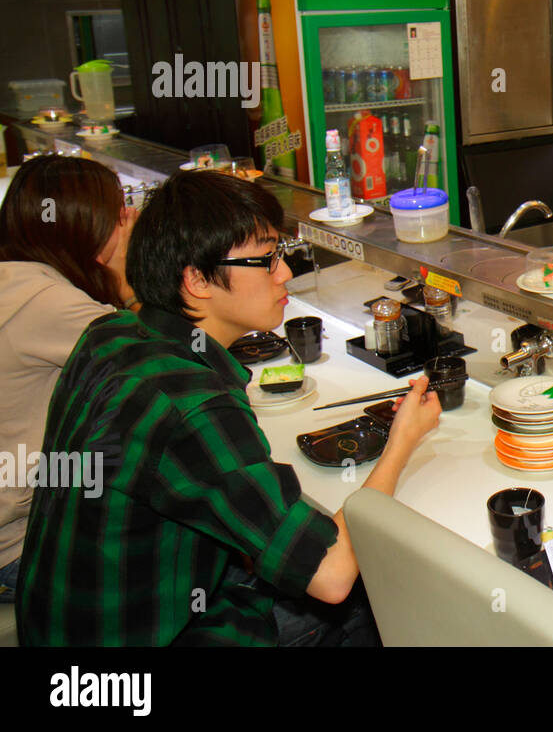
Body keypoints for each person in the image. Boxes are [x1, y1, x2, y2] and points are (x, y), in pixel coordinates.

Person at [17, 170, 441, 645]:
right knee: (368, 601)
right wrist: (401, 443)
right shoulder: (191, 403)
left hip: (57, 627)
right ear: (197, 279)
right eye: (265, 259)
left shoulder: (110, 335)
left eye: (280, 253)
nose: (283, 273)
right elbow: (332, 572)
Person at [0, 155, 137, 601]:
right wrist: (124, 274)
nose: (130, 218)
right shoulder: (46, 302)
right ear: (87, 225)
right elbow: (162, 365)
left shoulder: (16, 277)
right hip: (22, 549)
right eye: (119, 211)